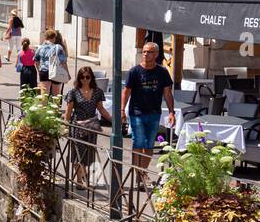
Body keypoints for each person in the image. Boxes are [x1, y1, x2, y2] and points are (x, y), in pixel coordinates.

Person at [123, 41, 176, 182]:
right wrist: (122, 110)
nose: (146, 54)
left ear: (156, 54)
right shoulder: (134, 71)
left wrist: (171, 112)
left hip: (154, 113)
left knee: (149, 144)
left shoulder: (162, 72)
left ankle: (142, 172)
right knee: (138, 143)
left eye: (149, 52)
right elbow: (126, 92)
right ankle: (140, 175)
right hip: (137, 113)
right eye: (144, 51)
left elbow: (167, 93)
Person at [64, 66, 112, 188]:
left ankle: (84, 174)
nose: (85, 79)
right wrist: (65, 126)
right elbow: (68, 112)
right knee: (78, 153)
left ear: (91, 78)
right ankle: (79, 179)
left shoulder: (97, 92)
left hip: (91, 126)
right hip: (77, 125)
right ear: (79, 78)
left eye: (87, 77)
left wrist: (113, 120)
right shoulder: (73, 92)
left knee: (89, 153)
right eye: (82, 77)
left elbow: (101, 109)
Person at [36, 30, 71, 97]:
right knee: (56, 96)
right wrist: (67, 73)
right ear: (54, 38)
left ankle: (44, 107)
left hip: (44, 71)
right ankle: (55, 107)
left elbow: (36, 61)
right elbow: (63, 62)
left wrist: (39, 70)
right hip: (55, 71)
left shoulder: (40, 48)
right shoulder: (58, 47)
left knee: (44, 95)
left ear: (45, 37)